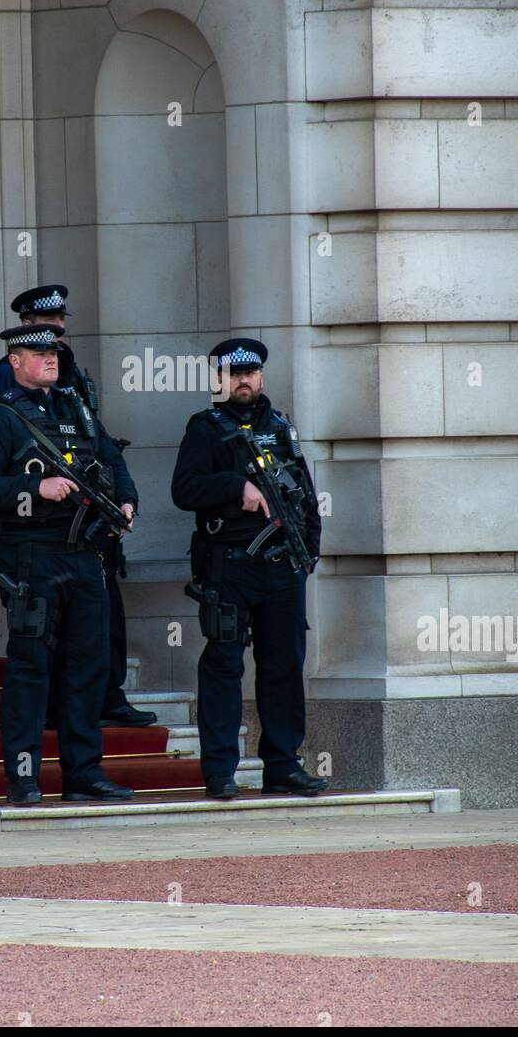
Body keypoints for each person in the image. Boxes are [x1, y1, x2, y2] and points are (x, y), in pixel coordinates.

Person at [0, 323, 138, 805]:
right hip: (32, 559)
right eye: (39, 353)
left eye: (54, 352)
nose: (51, 359)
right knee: (31, 670)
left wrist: (126, 501)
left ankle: (84, 773)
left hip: (84, 555)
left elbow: (112, 458)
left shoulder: (74, 409)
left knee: (87, 668)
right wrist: (33, 488)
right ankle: (23, 777)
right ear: (14, 360)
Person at [0, 284, 156, 729]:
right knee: (46, 635)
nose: (56, 334)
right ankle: (54, 717)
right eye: (46, 326)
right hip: (45, 533)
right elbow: (6, 454)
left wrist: (125, 497)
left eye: (60, 323)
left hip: (89, 522)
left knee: (102, 618)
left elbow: (97, 438)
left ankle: (106, 697)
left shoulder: (69, 372)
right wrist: (38, 486)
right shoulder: (13, 376)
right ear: (25, 330)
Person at [171, 338, 329, 801]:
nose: (244, 380)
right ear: (219, 380)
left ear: (261, 377)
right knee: (222, 667)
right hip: (230, 566)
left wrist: (310, 552)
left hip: (283, 567)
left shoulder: (280, 427)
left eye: (251, 372)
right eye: (234, 373)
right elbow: (184, 490)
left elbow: (304, 490)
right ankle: (220, 771)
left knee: (283, 667)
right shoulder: (205, 428)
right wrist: (234, 484)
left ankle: (282, 765)